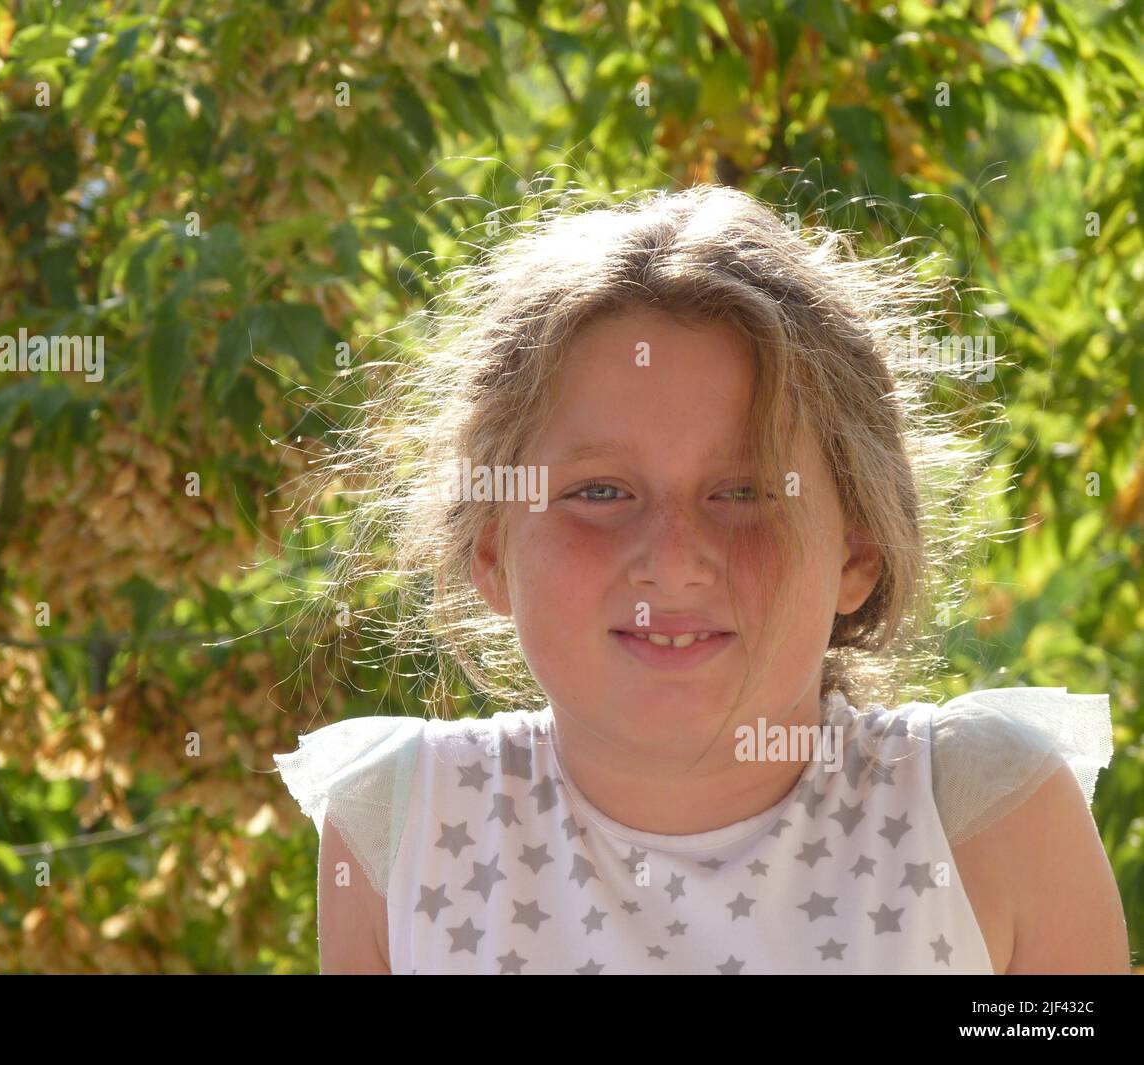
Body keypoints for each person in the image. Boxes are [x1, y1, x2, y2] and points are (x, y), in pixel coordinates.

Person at [274, 183, 1128, 974]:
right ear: (491, 547)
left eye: (747, 491)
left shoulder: (985, 814)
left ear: (857, 550)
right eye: (600, 492)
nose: (673, 556)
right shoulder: (403, 827)